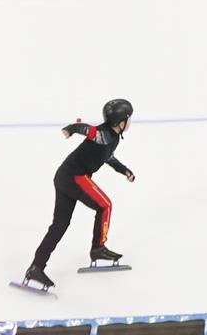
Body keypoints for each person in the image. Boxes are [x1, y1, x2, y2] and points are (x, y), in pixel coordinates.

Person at [24, 98, 136, 290]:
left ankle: (36, 267)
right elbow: (86, 129)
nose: (131, 121)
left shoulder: (112, 137)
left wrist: (124, 170)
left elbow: (107, 156)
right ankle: (98, 248)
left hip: (64, 176)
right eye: (129, 118)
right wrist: (70, 129)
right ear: (120, 121)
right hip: (74, 177)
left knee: (59, 225)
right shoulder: (102, 134)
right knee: (105, 205)